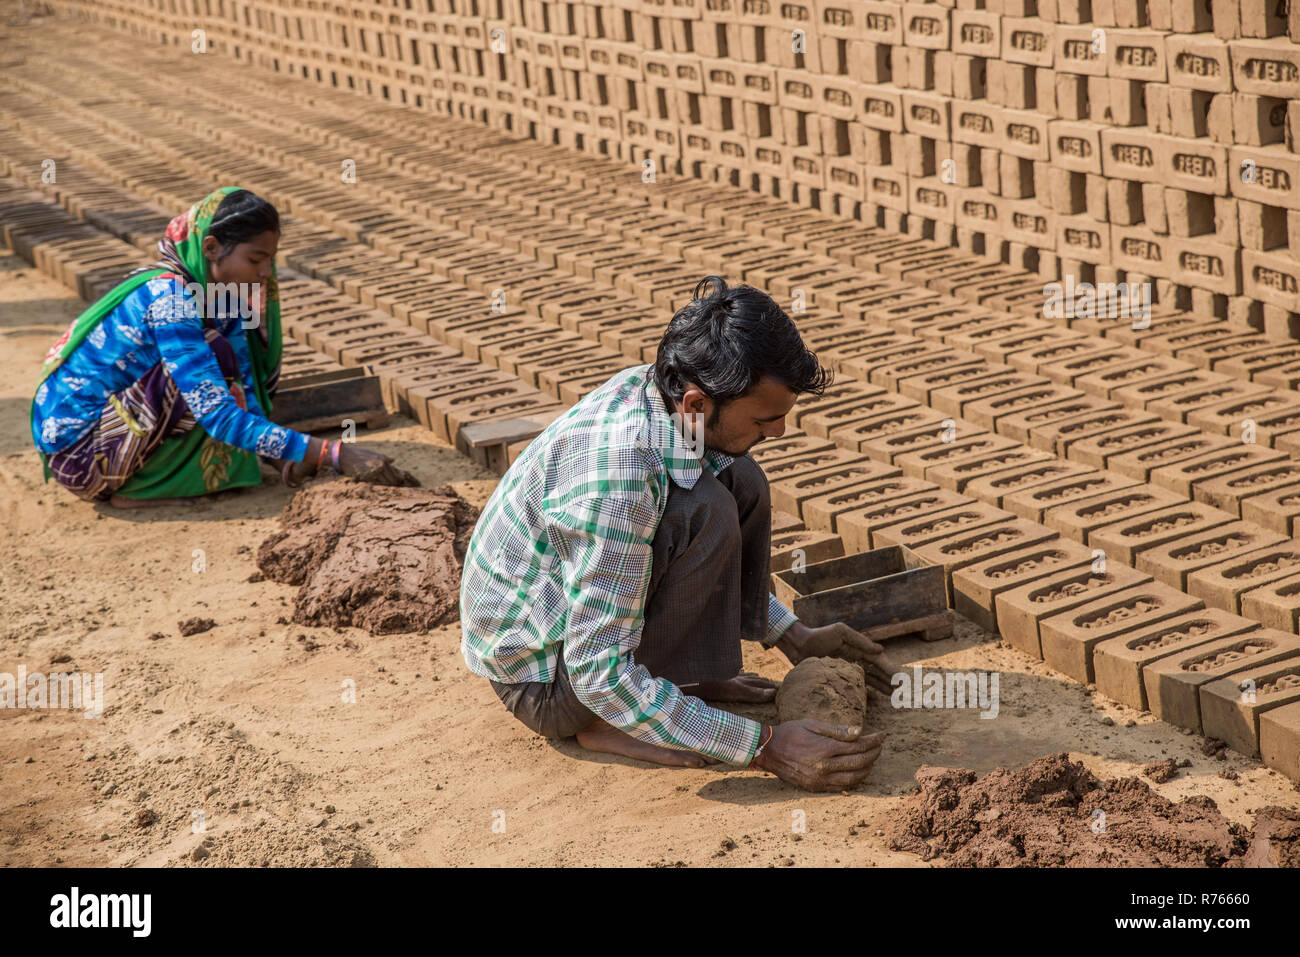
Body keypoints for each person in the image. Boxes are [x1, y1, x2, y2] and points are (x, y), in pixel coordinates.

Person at [460, 276, 896, 792]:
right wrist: (764, 746)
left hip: (570, 625)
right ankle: (602, 727)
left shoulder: (662, 396)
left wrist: (791, 634)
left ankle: (695, 668)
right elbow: (599, 676)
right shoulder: (616, 482)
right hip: (549, 682)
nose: (778, 431)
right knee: (704, 510)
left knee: (740, 479)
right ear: (695, 405)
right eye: (764, 419)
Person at [30, 186, 402, 506]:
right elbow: (218, 414)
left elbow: (246, 392)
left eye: (270, 260)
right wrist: (334, 452)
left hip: (120, 432)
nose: (265, 274)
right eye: (256, 259)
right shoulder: (170, 300)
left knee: (218, 357)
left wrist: (281, 459)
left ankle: (155, 474)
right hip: (81, 456)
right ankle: (141, 486)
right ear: (211, 247)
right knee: (211, 359)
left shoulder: (223, 300)